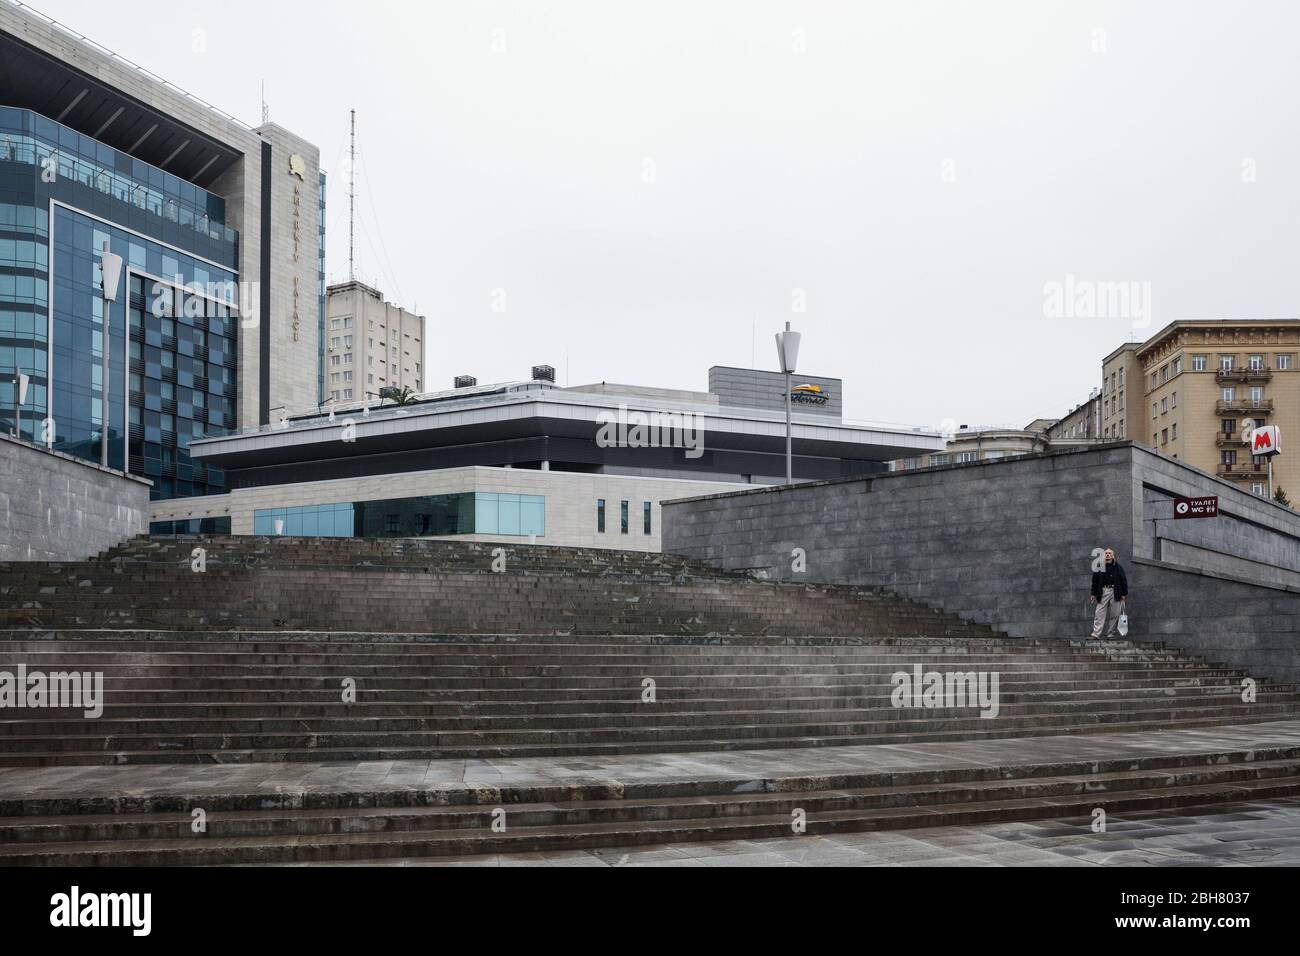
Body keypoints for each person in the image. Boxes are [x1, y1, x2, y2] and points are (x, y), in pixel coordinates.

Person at [1089, 547, 1129, 640]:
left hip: (1115, 592)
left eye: (1110, 553)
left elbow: (1123, 581)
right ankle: (1095, 634)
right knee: (1099, 613)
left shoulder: (1118, 567)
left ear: (1113, 555)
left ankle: (1111, 634)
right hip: (1102, 591)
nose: (1108, 555)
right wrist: (1093, 594)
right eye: (1106, 553)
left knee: (1115, 614)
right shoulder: (1099, 566)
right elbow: (1094, 581)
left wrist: (1124, 594)